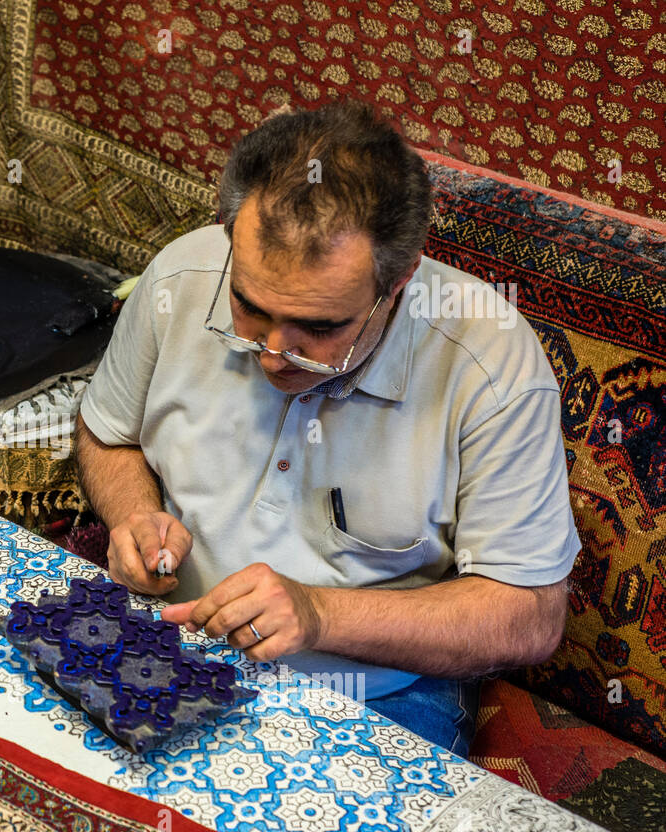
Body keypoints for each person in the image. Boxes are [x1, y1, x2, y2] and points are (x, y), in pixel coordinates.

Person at [73, 101, 580, 758]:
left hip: (374, 690)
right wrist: (133, 515)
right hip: (171, 638)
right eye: (250, 309)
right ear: (231, 231)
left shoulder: (491, 361)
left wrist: (318, 613)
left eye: (318, 329)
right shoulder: (181, 276)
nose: (272, 355)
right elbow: (109, 433)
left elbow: (532, 615)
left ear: (397, 282)